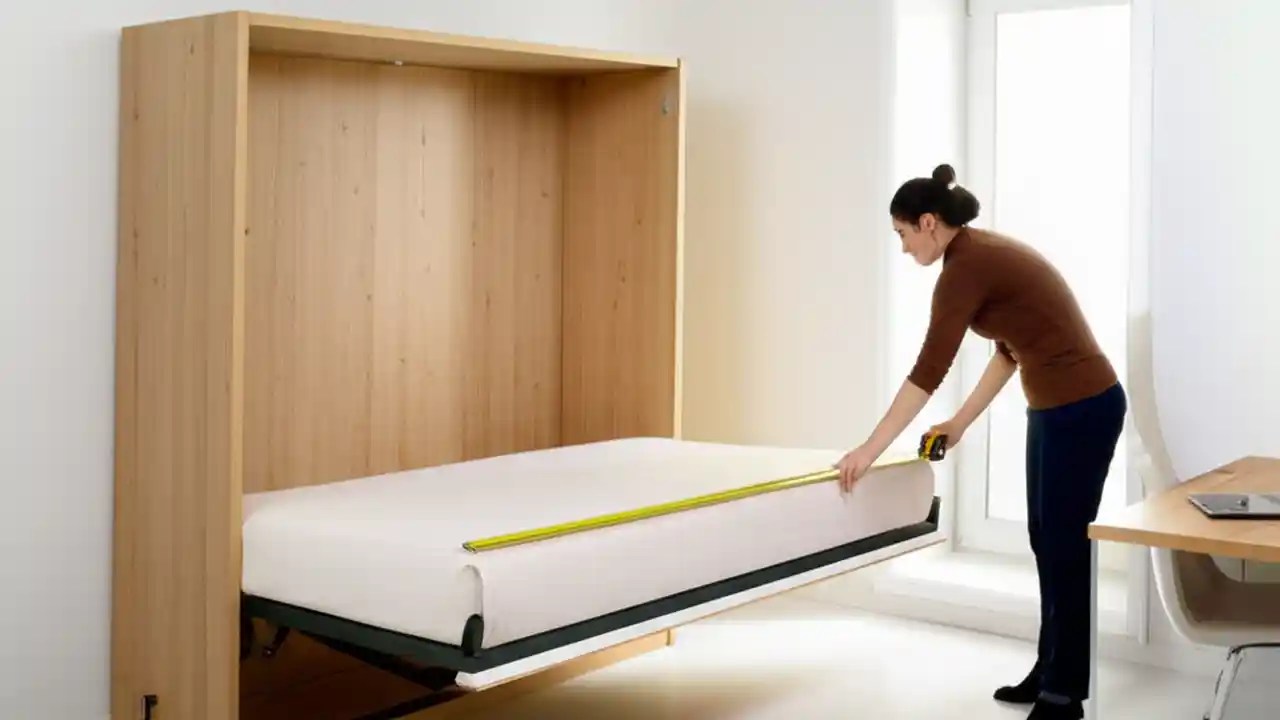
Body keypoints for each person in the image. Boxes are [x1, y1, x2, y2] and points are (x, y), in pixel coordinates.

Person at [835, 164, 1127, 720]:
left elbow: (928, 370)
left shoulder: (966, 269)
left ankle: (1064, 696)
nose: (901, 248)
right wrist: (961, 422)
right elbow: (1010, 349)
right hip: (1054, 409)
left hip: (1084, 408)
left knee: (1065, 544)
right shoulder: (973, 255)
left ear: (927, 224)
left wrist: (867, 451)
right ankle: (1050, 671)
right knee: (1048, 539)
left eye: (901, 234)